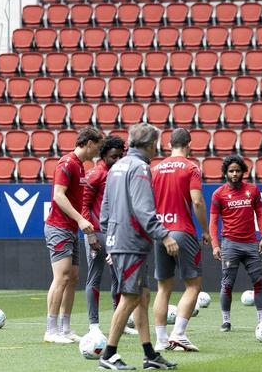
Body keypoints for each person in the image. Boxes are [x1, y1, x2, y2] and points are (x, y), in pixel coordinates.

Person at [98, 123, 177, 371]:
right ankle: (109, 354)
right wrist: (165, 235)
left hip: (119, 240)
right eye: (158, 143)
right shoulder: (141, 167)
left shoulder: (117, 166)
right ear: (152, 144)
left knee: (142, 296)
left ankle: (149, 353)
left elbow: (105, 210)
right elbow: (144, 210)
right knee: (131, 296)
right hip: (131, 242)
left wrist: (110, 239)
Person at [151, 128, 210, 353]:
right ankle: (179, 334)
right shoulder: (191, 167)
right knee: (193, 285)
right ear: (189, 144)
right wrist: (205, 230)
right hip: (182, 231)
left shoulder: (155, 169)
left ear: (168, 144)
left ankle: (161, 339)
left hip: (160, 232)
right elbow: (197, 202)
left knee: (163, 288)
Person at [44, 126, 103, 344]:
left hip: (69, 228)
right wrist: (80, 219)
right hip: (58, 227)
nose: (98, 150)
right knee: (62, 277)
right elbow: (58, 196)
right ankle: (51, 330)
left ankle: (65, 328)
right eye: (97, 145)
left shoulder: (79, 166)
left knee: (73, 278)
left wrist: (78, 223)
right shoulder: (67, 163)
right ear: (88, 143)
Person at [210, 155, 262, 332]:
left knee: (258, 282)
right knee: (227, 283)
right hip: (230, 245)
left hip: (251, 244)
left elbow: (260, 214)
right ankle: (226, 321)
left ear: (243, 172)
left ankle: (261, 321)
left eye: (237, 171)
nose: (234, 174)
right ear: (226, 173)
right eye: (231, 171)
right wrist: (215, 245)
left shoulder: (253, 190)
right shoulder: (218, 194)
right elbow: (213, 221)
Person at [81, 135, 129, 336]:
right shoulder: (95, 174)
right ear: (103, 155)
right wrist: (90, 233)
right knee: (95, 277)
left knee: (119, 279)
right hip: (97, 234)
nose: (117, 160)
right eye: (113, 157)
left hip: (116, 234)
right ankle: (93, 326)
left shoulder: (118, 173)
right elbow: (83, 205)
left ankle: (120, 323)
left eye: (120, 156)